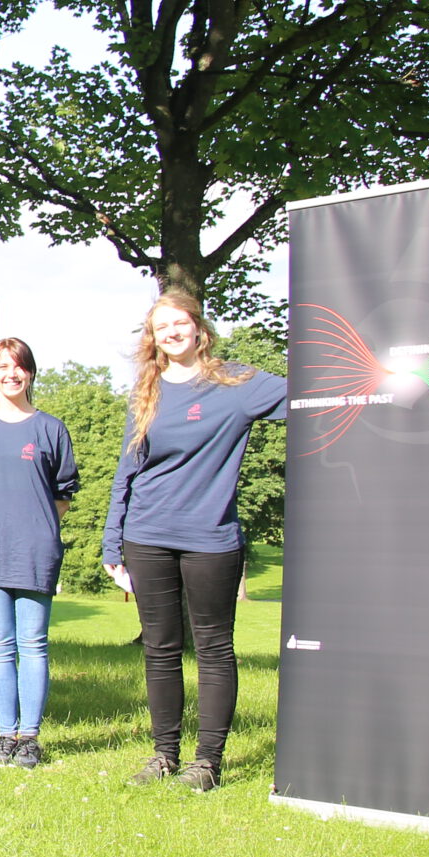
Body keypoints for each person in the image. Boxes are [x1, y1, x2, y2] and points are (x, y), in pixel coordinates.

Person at [102, 292, 288, 791]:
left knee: (214, 648)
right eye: (162, 328)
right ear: (153, 338)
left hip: (211, 537)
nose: (172, 333)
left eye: (180, 323)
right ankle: (163, 755)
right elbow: (128, 469)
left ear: (199, 328)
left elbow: (309, 399)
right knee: (161, 650)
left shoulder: (238, 383)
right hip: (147, 535)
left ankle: (207, 762)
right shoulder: (148, 389)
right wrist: (111, 541)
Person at [0, 338, 79, 770]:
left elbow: (62, 494)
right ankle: (5, 734)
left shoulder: (50, 429)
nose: (11, 373)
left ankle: (30, 738)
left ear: (30, 373)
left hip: (36, 551)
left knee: (34, 644)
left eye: (19, 366)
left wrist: (34, 525)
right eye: (3, 366)